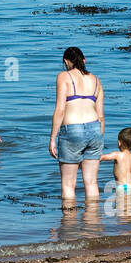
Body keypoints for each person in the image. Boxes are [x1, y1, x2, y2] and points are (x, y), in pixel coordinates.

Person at [48, 46, 105, 207]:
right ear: (84, 60)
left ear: (66, 61)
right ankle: (92, 224)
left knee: (68, 184)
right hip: (95, 130)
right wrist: (99, 139)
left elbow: (60, 110)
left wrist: (52, 139)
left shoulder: (64, 77)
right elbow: (101, 115)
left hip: (72, 130)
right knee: (92, 182)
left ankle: (69, 226)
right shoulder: (96, 80)